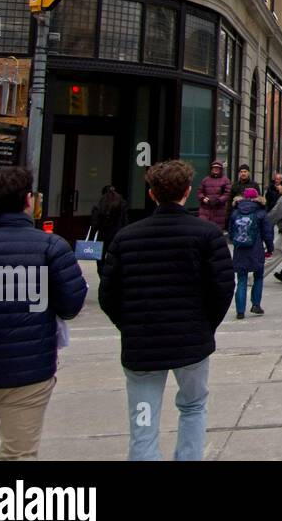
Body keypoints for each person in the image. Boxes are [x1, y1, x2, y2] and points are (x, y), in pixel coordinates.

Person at [0, 166, 87, 461]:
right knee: (19, 454)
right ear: (27, 201)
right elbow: (71, 305)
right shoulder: (51, 247)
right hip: (29, 368)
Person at [99, 159, 234, 461]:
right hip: (191, 342)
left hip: (142, 345)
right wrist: (205, 325)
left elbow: (108, 294)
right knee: (193, 407)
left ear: (152, 194)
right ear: (188, 191)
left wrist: (130, 324)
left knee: (143, 420)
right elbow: (223, 287)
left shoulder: (126, 238)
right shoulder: (206, 235)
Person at [229, 188, 273, 319]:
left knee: (241, 279)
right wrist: (270, 248)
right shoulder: (260, 212)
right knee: (258, 277)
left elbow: (231, 232)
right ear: (257, 197)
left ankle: (240, 311)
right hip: (256, 249)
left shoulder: (235, 212)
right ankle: (256, 305)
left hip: (240, 249)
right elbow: (267, 232)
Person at [89, 184, 129, 271]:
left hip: (103, 236)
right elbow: (125, 222)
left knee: (100, 260)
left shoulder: (100, 205)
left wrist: (90, 240)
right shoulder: (122, 205)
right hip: (118, 236)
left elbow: (94, 225)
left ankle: (103, 276)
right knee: (116, 259)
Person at [197, 160, 231, 230]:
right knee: (204, 230)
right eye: (214, 168)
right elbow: (199, 192)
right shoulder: (205, 180)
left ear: (221, 169)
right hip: (205, 210)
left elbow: (227, 193)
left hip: (219, 210)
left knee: (216, 230)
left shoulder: (225, 180)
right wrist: (203, 198)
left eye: (217, 168)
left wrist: (219, 200)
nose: (215, 169)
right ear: (211, 169)